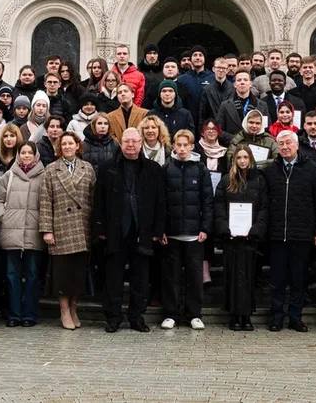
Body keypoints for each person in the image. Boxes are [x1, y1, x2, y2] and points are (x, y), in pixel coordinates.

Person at [93, 127, 165, 333]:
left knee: (140, 278)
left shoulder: (153, 169)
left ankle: (136, 317)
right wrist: (100, 228)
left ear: (141, 143)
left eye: (134, 141)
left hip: (142, 232)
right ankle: (113, 317)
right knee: (113, 278)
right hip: (115, 232)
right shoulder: (107, 168)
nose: (131, 145)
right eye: (127, 142)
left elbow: (161, 202)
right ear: (121, 143)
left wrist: (158, 231)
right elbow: (99, 201)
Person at [262, 130, 316, 332]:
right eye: (280, 143)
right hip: (277, 234)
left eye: (288, 142)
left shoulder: (312, 169)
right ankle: (276, 317)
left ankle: (295, 317)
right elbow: (265, 203)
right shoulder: (271, 170)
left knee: (299, 279)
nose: (284, 147)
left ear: (297, 145)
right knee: (277, 279)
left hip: (302, 234)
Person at [40, 131, 97, 330]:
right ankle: (64, 310)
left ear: (77, 146)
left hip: (82, 228)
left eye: (70, 143)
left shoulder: (87, 168)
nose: (67, 147)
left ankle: (74, 307)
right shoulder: (51, 169)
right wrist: (47, 230)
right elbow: (45, 201)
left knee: (79, 274)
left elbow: (93, 198)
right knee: (62, 274)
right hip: (61, 228)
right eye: (63, 144)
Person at [159, 130, 214, 330]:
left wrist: (205, 228)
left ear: (192, 146)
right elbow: (161, 202)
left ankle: (194, 314)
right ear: (173, 145)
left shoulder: (200, 169)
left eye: (186, 145)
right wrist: (161, 230)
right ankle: (170, 313)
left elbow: (207, 201)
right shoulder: (166, 169)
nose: (182, 149)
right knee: (171, 276)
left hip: (194, 234)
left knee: (194, 276)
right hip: (172, 233)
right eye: (179, 145)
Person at [0, 140, 47, 328]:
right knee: (11, 275)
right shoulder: (9, 176)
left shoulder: (44, 176)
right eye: (23, 152)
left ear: (35, 155)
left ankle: (29, 314)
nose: (26, 156)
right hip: (12, 231)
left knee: (32, 275)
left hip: (34, 231)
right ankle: (14, 314)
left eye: (29, 153)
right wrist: (3, 216)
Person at [213, 144, 266, 331]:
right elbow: (218, 206)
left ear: (251, 159)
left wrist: (256, 230)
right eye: (239, 158)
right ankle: (234, 315)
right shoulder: (227, 180)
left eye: (246, 157)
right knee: (233, 278)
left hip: (250, 239)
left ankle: (247, 315)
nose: (242, 161)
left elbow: (263, 208)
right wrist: (225, 228)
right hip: (232, 239)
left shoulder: (259, 180)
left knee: (248, 278)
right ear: (234, 160)